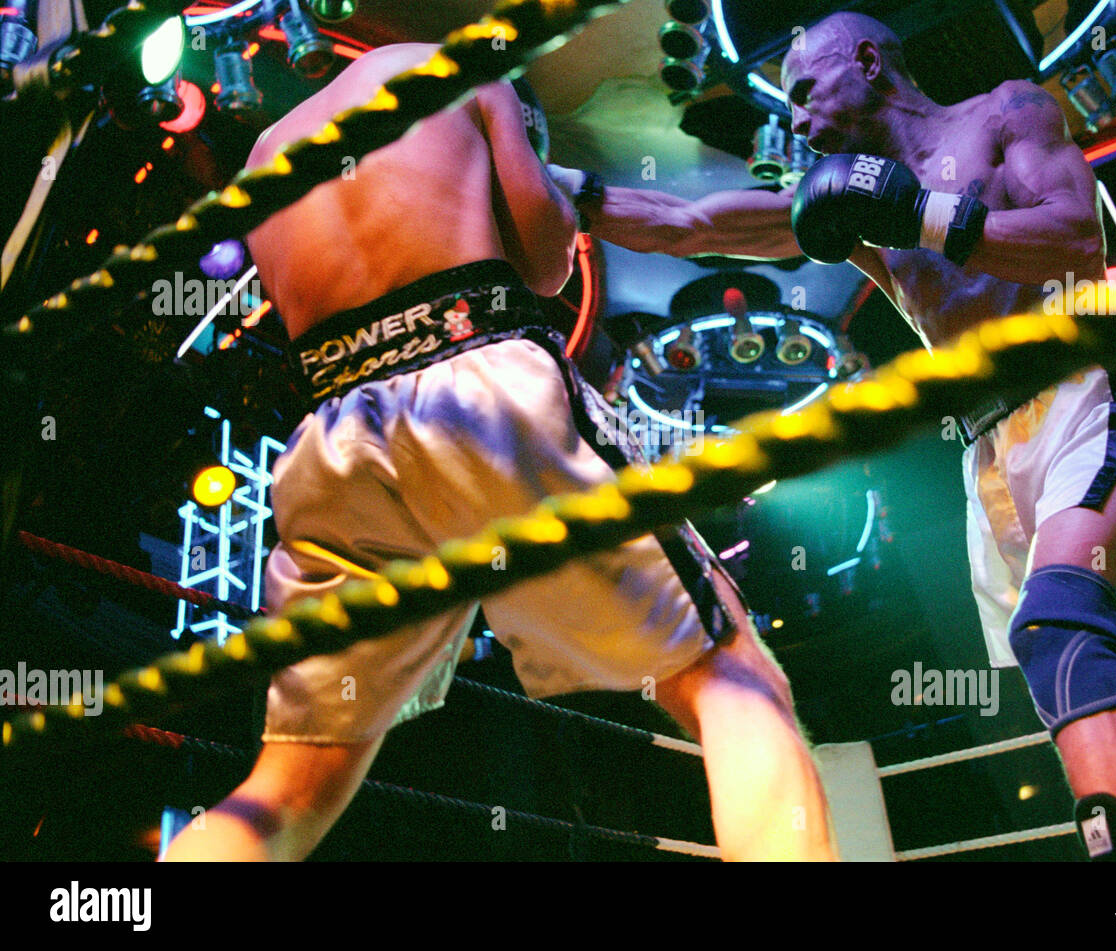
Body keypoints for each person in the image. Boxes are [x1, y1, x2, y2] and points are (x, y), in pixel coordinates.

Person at [550, 11, 1116, 861]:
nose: (792, 117)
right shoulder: (846, 197)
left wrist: (925, 215)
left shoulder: (1006, 113)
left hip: (1089, 388)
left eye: (803, 89)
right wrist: (554, 182)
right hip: (994, 450)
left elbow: (1074, 238)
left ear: (868, 62)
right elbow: (691, 225)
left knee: (1058, 632)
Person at [162, 43, 836, 862]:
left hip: (334, 435)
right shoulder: (460, 68)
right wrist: (533, 183)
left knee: (287, 787)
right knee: (733, 681)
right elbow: (550, 267)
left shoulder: (265, 153)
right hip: (480, 379)